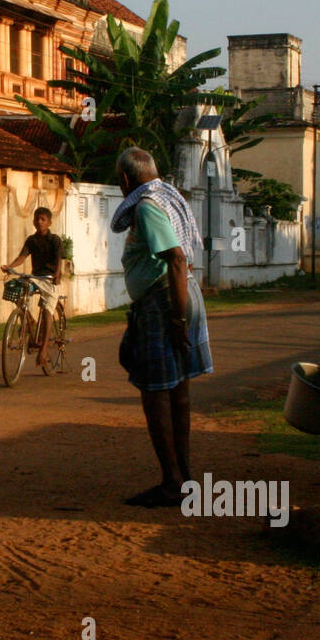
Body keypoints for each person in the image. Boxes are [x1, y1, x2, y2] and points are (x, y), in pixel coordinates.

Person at [111, 147, 213, 508]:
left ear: (125, 180)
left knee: (156, 394)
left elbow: (176, 258)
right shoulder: (168, 197)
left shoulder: (146, 206)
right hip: (180, 296)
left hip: (164, 302)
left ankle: (173, 482)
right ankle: (185, 478)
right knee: (177, 391)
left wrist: (176, 319)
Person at [0, 206, 63, 369]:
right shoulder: (31, 240)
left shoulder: (55, 240)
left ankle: (43, 350)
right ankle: (29, 321)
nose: (39, 222)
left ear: (49, 222)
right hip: (35, 278)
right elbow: (22, 257)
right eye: (37, 219)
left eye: (43, 219)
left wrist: (57, 274)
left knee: (48, 310)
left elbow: (58, 261)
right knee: (15, 289)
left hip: (49, 280)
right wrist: (10, 266)